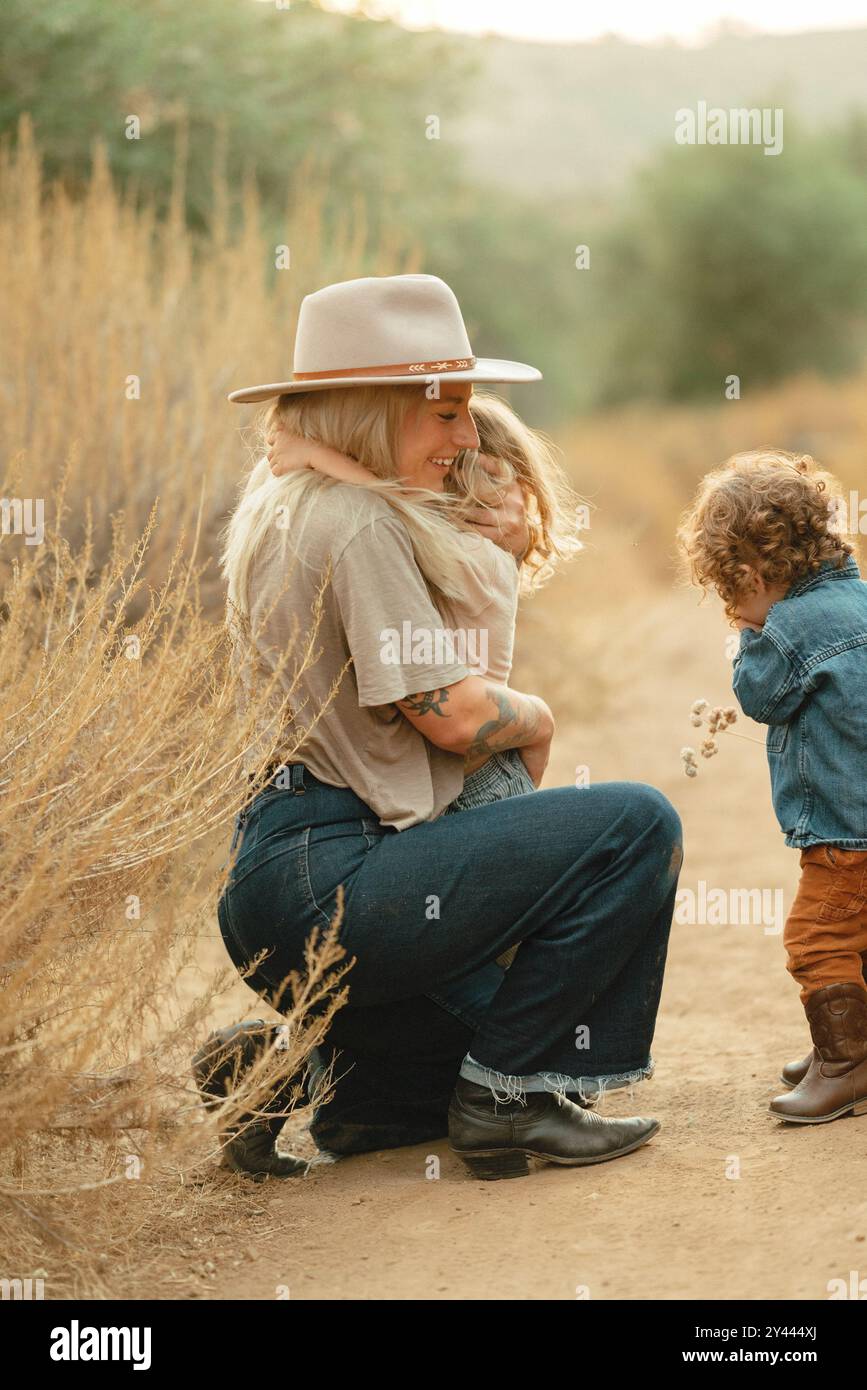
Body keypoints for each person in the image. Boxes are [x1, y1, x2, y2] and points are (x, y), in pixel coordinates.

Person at [194, 273, 682, 1181]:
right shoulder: (355, 523)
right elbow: (452, 719)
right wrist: (536, 716)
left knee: (404, 1111)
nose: (466, 437)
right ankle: (509, 1100)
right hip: (337, 875)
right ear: (372, 408)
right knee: (635, 824)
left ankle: (276, 1077)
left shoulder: (281, 502)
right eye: (447, 412)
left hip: (272, 878)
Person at [677, 449, 867, 1124]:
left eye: (732, 598)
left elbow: (758, 696)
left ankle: (846, 1067)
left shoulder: (788, 628)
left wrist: (746, 639)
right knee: (859, 936)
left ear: (754, 572)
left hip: (845, 834)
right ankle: (846, 1042)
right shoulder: (858, 598)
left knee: (815, 938)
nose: (735, 612)